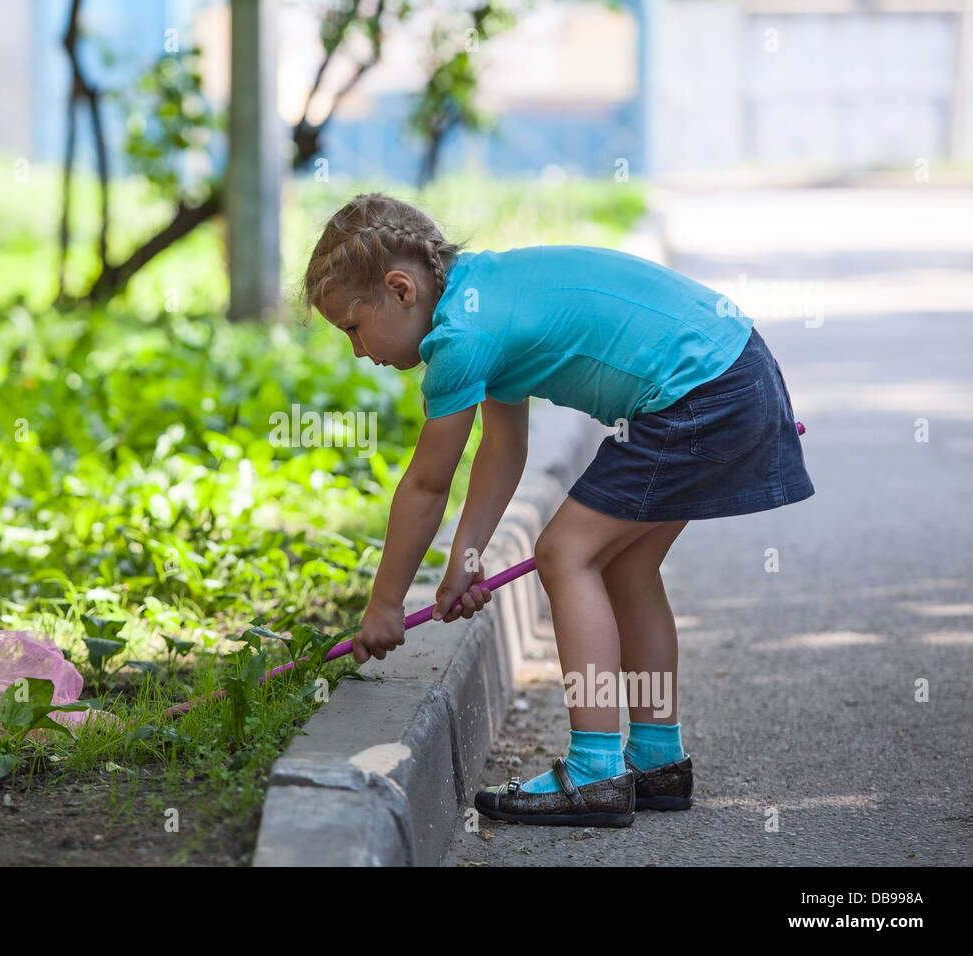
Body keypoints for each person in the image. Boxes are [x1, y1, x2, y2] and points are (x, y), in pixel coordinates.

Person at [299, 192, 814, 827]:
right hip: (733, 369)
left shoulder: (462, 336)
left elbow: (428, 486)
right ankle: (657, 757)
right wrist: (467, 558)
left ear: (401, 290)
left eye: (352, 327)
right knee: (623, 567)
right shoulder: (481, 294)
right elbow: (504, 447)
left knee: (564, 553)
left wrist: (384, 606)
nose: (356, 349)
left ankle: (596, 770)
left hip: (697, 392)